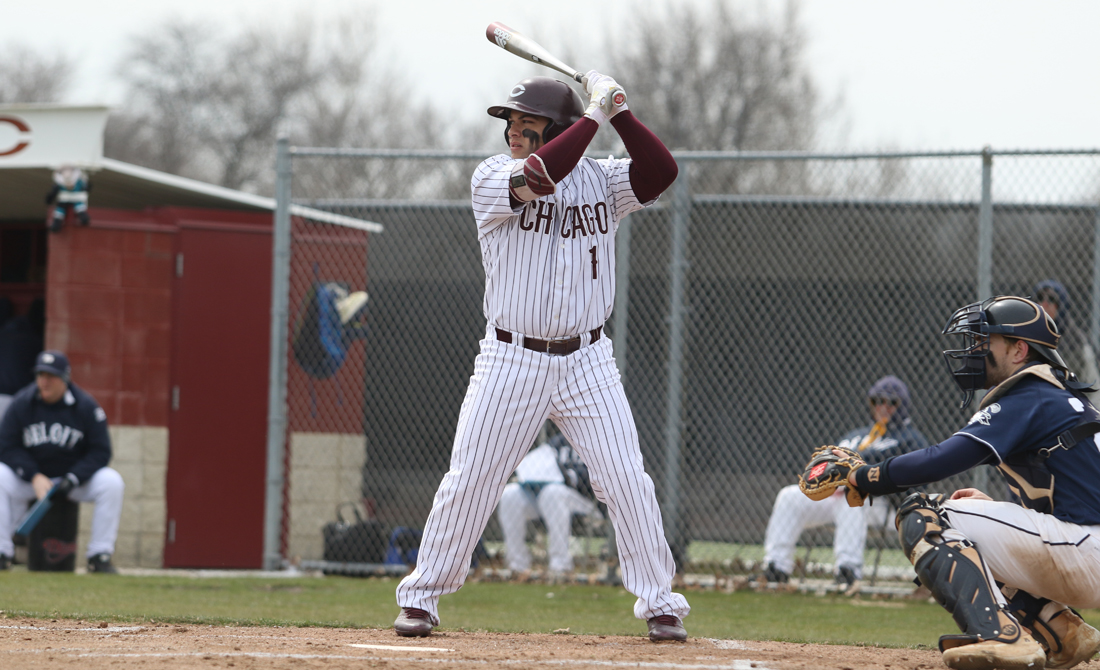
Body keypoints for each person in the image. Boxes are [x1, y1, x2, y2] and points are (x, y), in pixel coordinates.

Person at [394, 72, 690, 642]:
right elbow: (539, 175)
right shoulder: (491, 177)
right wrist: (593, 118)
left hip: (588, 359)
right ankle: (422, 594)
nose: (512, 132)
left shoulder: (603, 180)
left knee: (627, 480)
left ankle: (660, 602)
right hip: (511, 357)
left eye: (525, 124)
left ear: (554, 127)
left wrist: (620, 113)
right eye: (510, 122)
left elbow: (661, 172)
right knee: (473, 480)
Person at [840, 296, 1100, 669]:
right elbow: (1074, 498)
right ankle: (1064, 634)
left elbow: (943, 459)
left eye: (985, 341)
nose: (975, 350)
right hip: (1086, 548)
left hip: (1086, 552)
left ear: (1018, 349)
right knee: (971, 524)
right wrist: (995, 511)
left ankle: (1005, 637)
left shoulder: (1030, 394)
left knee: (924, 512)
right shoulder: (1057, 395)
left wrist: (864, 476)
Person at [757, 375, 928, 592]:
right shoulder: (856, 436)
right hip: (834, 495)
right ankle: (776, 568)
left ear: (902, 406)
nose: (883, 407)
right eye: (878, 401)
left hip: (880, 503)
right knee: (788, 496)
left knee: (852, 499)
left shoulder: (911, 440)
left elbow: (913, 483)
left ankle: (848, 572)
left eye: (891, 402)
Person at [0, 350, 124, 573]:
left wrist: (74, 478)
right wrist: (33, 475)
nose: (44, 382)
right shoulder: (22, 403)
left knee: (111, 482)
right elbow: (7, 446)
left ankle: (99, 554)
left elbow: (101, 451)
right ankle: (2, 552)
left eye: (51, 376)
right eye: (40, 375)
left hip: (71, 482)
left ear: (65, 378)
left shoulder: (85, 406)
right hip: (34, 482)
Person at [497, 433, 601, 579]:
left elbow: (599, 479)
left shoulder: (594, 440)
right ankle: (517, 565)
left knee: (553, 492)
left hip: (585, 502)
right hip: (546, 497)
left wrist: (568, 476)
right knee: (510, 494)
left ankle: (560, 565)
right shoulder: (556, 442)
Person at [1034, 279, 1099, 391]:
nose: (1044, 304)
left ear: (1061, 305)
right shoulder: (1028, 335)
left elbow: (1094, 386)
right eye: (1040, 298)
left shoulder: (1076, 340)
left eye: (1051, 299)